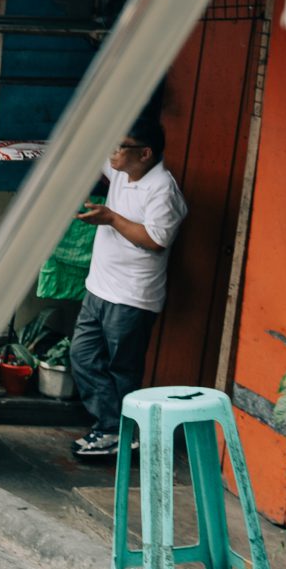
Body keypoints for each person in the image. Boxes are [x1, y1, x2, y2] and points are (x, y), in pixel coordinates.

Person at [69, 112, 189, 461]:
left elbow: (155, 239)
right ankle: (111, 427)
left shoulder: (162, 189)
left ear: (145, 153)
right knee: (83, 356)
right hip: (99, 289)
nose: (112, 153)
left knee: (122, 369)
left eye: (120, 147)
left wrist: (110, 218)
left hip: (132, 298)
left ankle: (121, 435)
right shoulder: (122, 172)